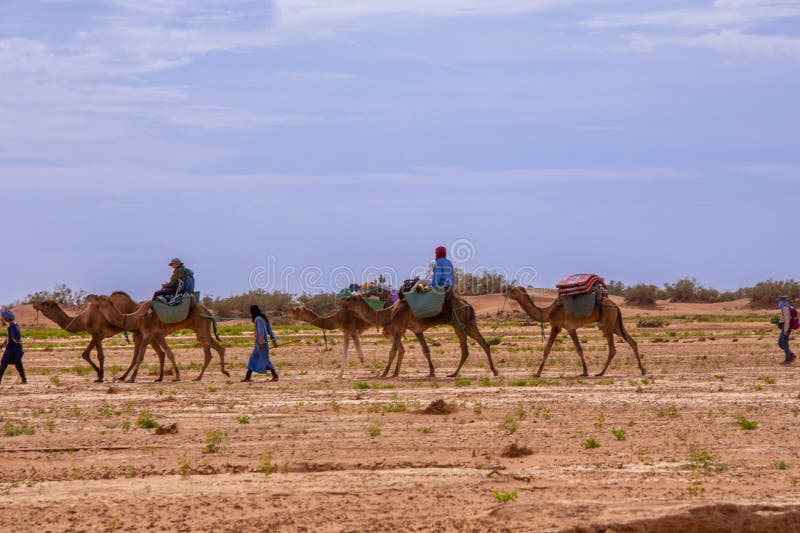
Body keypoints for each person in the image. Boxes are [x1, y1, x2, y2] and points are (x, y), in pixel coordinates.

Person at [242, 304, 279, 382]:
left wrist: (261, 343)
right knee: (253, 358)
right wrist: (274, 341)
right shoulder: (263, 318)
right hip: (261, 343)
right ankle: (247, 378)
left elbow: (261, 332)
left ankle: (275, 375)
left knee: (264, 359)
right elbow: (270, 332)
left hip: (260, 343)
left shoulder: (258, 319)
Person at [0, 310, 26, 385]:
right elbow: (9, 337)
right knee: (17, 363)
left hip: (12, 348)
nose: (3, 318)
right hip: (16, 347)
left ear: (7, 318)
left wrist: (16, 342)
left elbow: (13, 337)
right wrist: (2, 345)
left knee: (4, 362)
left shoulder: (11, 325)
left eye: (4, 317)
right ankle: (24, 379)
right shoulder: (14, 324)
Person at [778, 295, 796, 365]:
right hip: (785, 327)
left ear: (782, 301)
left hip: (786, 327)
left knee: (784, 342)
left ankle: (788, 358)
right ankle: (791, 354)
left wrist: (785, 330)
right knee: (780, 343)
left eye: (780, 300)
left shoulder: (785, 308)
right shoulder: (786, 307)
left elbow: (787, 320)